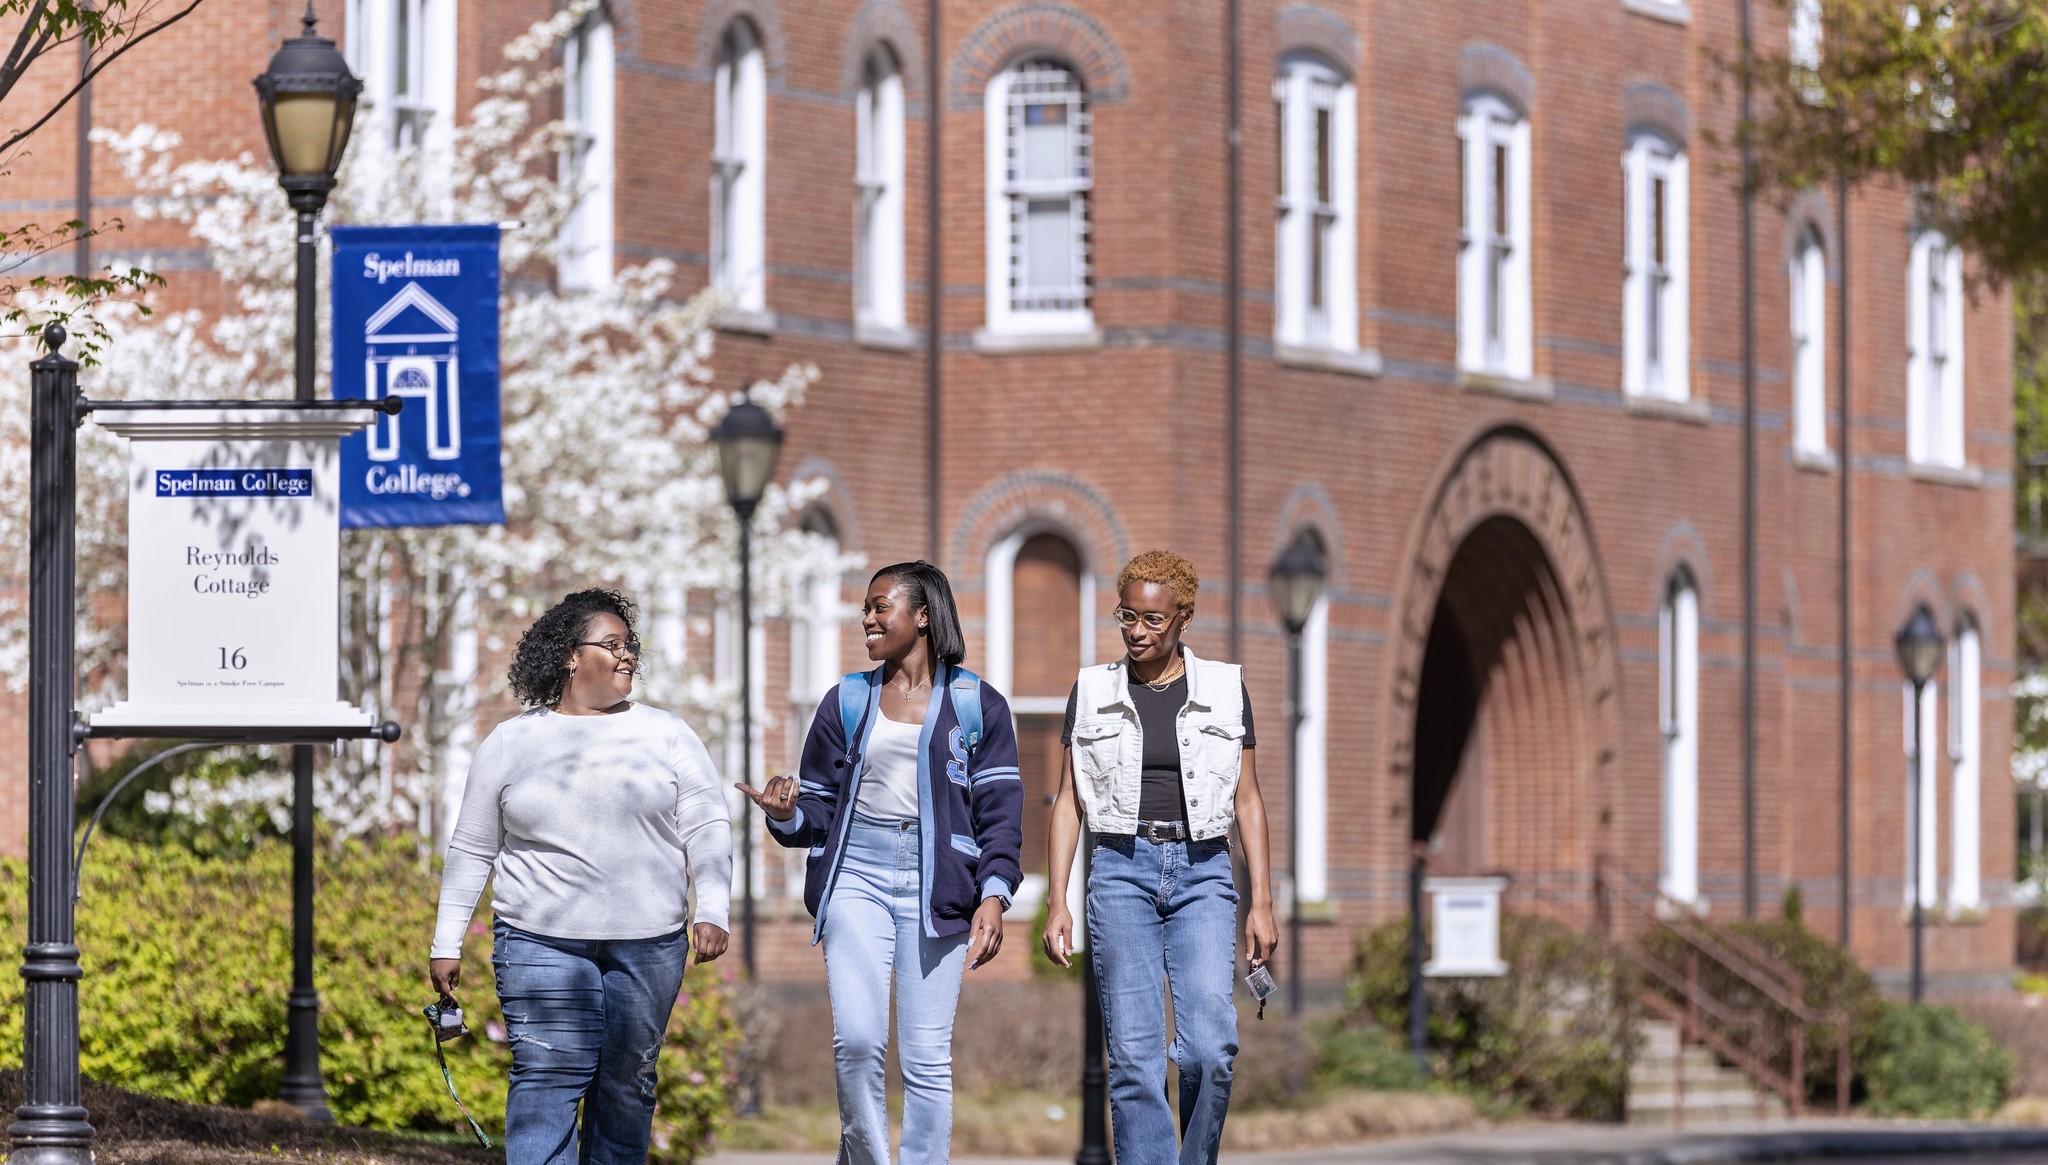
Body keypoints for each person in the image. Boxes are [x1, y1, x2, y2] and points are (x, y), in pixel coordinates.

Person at [429, 588, 733, 1165]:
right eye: (612, 644)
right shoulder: (511, 743)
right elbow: (472, 848)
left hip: (649, 944)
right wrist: (447, 942)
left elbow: (708, 825)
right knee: (546, 1075)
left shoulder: (667, 734)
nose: (627, 657)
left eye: (630, 647)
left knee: (626, 1085)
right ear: (571, 655)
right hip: (539, 939)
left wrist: (712, 907)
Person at [738, 561, 1023, 1165]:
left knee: (925, 1057)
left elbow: (1001, 813)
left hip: (939, 884)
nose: (866, 618)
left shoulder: (977, 704)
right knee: (859, 1041)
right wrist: (785, 813)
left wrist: (994, 895)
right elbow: (814, 810)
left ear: (922, 616)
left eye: (879, 606)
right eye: (864, 608)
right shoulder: (846, 699)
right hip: (856, 875)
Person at [1041, 549, 1278, 1165]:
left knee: (1210, 1048)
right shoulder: (1092, 689)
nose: (1138, 632)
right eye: (1128, 617)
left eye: (1153, 621)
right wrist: (1056, 902)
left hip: (1204, 869)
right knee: (1136, 1058)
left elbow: (1248, 801)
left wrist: (1263, 903)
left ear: (1183, 619)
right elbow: (1069, 803)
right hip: (1119, 869)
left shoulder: (1226, 688)